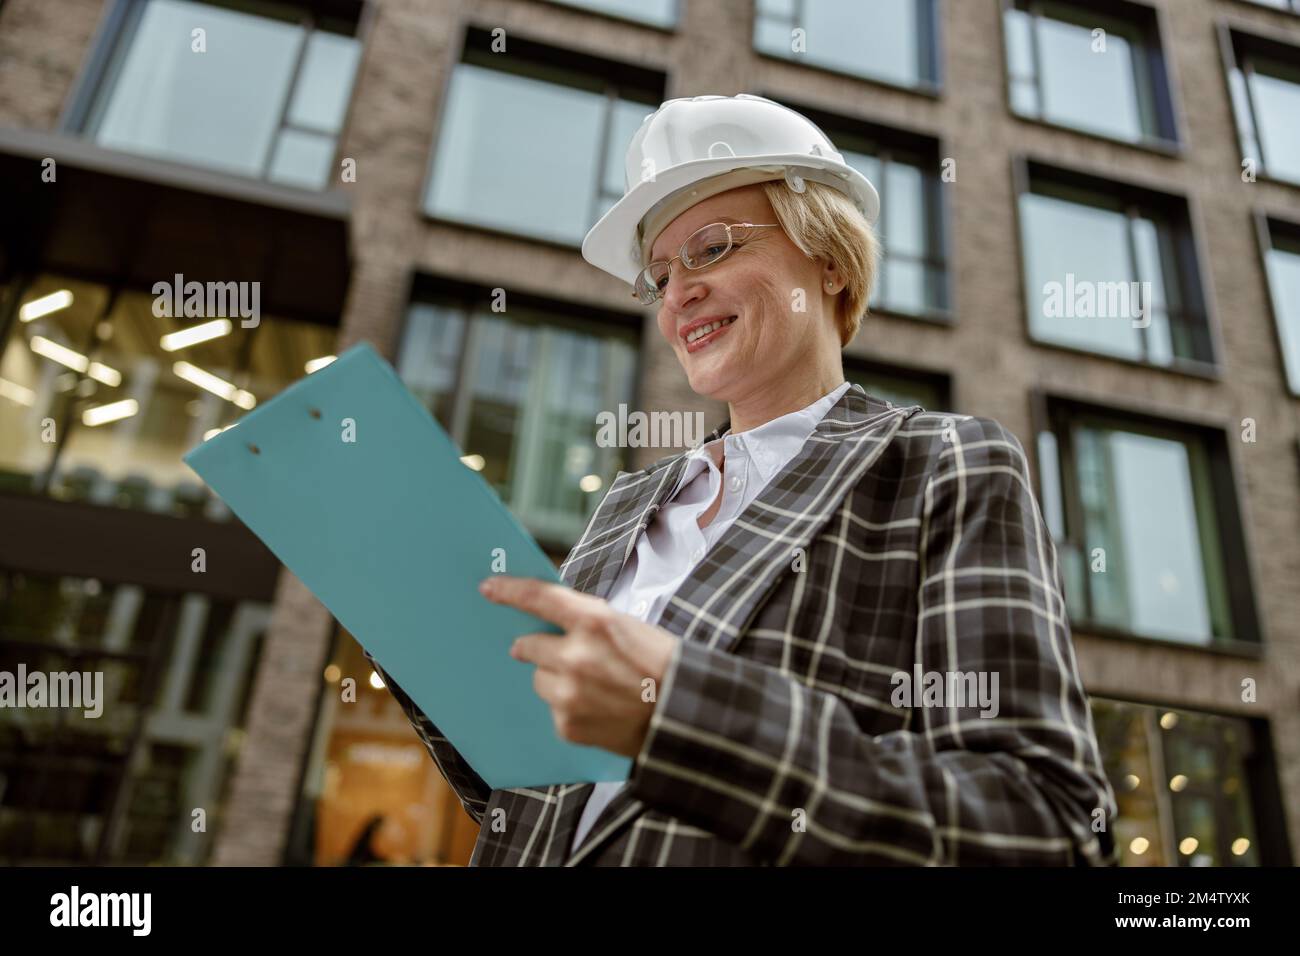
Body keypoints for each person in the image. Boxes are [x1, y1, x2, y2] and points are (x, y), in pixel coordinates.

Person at [370, 93, 1118, 866]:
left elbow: (1044, 827)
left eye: (713, 247)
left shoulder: (937, 466)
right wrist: (418, 644)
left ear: (828, 260)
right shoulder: (629, 505)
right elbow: (537, 805)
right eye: (659, 274)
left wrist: (683, 718)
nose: (678, 295)